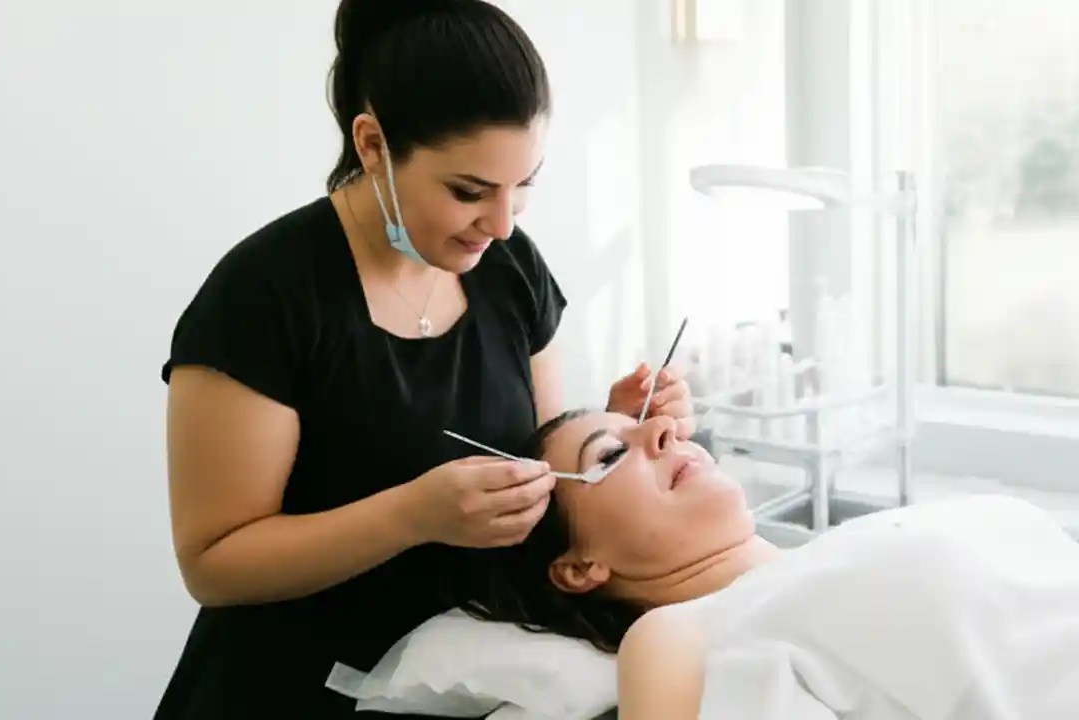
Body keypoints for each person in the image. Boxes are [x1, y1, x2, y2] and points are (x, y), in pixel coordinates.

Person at [155, 2, 696, 718]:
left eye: (523, 185)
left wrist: (614, 434)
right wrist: (411, 516)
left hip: (448, 689)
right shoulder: (265, 297)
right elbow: (214, 564)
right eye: (469, 192)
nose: (501, 224)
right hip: (282, 692)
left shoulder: (510, 272)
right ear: (373, 145)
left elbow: (538, 472)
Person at [454, 409, 1079, 720]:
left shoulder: (822, 560)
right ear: (580, 567)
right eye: (610, 453)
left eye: (644, 421)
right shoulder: (679, 633)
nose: (662, 431)